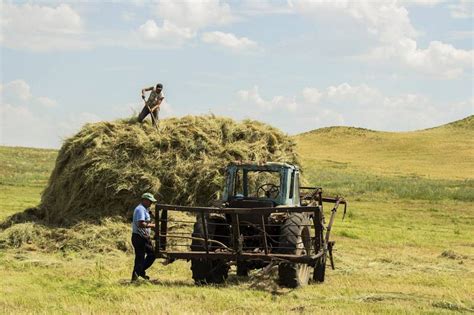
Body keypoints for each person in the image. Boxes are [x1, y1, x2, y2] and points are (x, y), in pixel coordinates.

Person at [131, 192, 157, 282]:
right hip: (140, 237)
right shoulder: (140, 209)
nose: (151, 203)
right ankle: (135, 278)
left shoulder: (144, 209)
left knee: (151, 254)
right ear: (144, 200)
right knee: (141, 257)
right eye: (150, 201)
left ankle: (140, 272)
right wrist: (152, 226)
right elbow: (141, 223)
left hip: (142, 237)